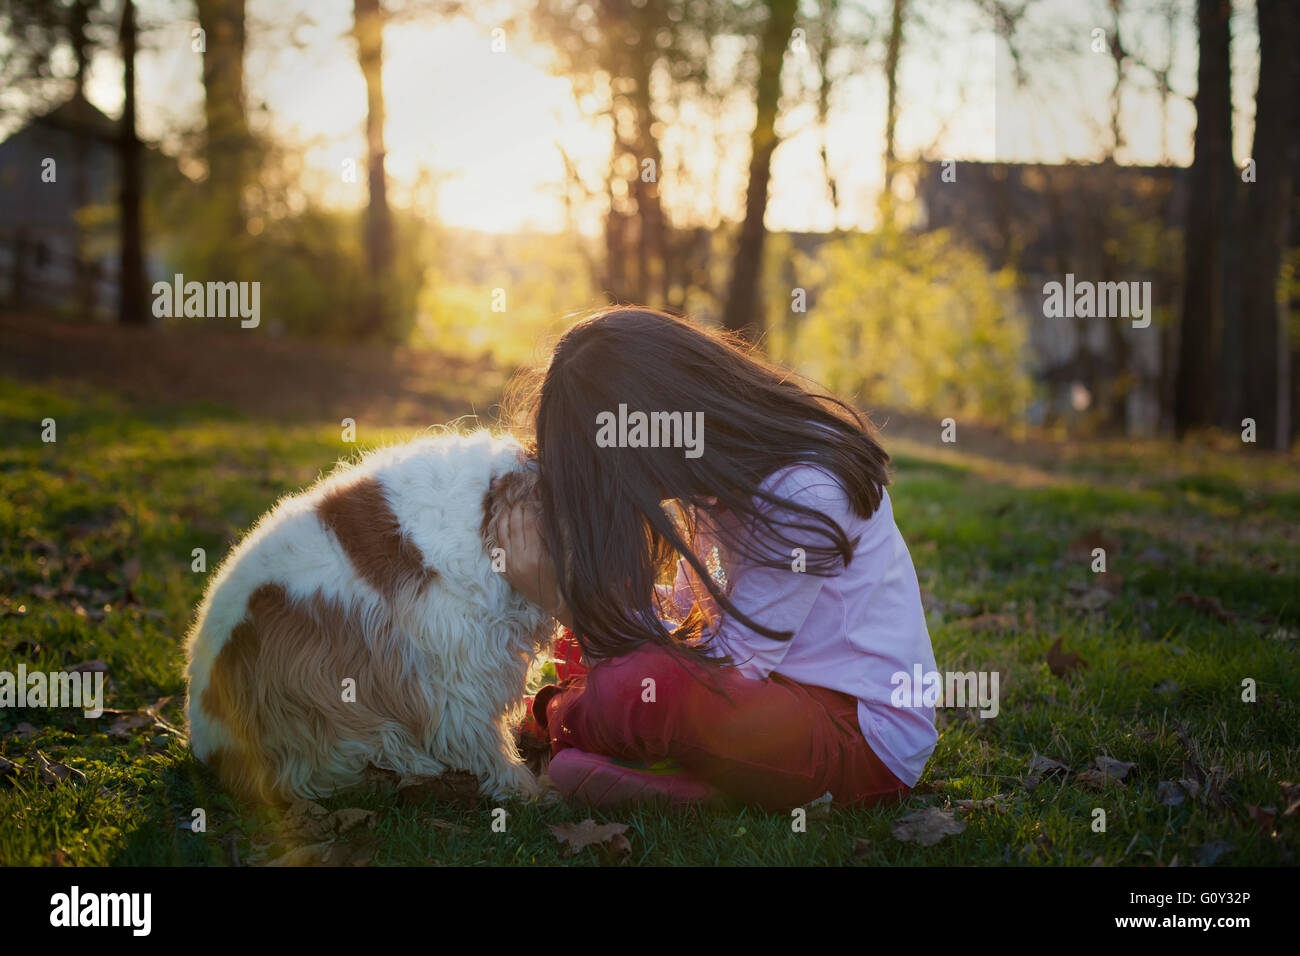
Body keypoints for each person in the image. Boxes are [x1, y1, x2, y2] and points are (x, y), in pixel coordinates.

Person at [496, 307, 937, 810]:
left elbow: (731, 665)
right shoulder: (717, 474)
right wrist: (587, 592)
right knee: (604, 639)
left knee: (635, 685)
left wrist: (564, 601)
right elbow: (692, 615)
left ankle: (591, 730)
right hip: (766, 694)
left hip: (856, 735)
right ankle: (640, 753)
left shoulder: (804, 489)